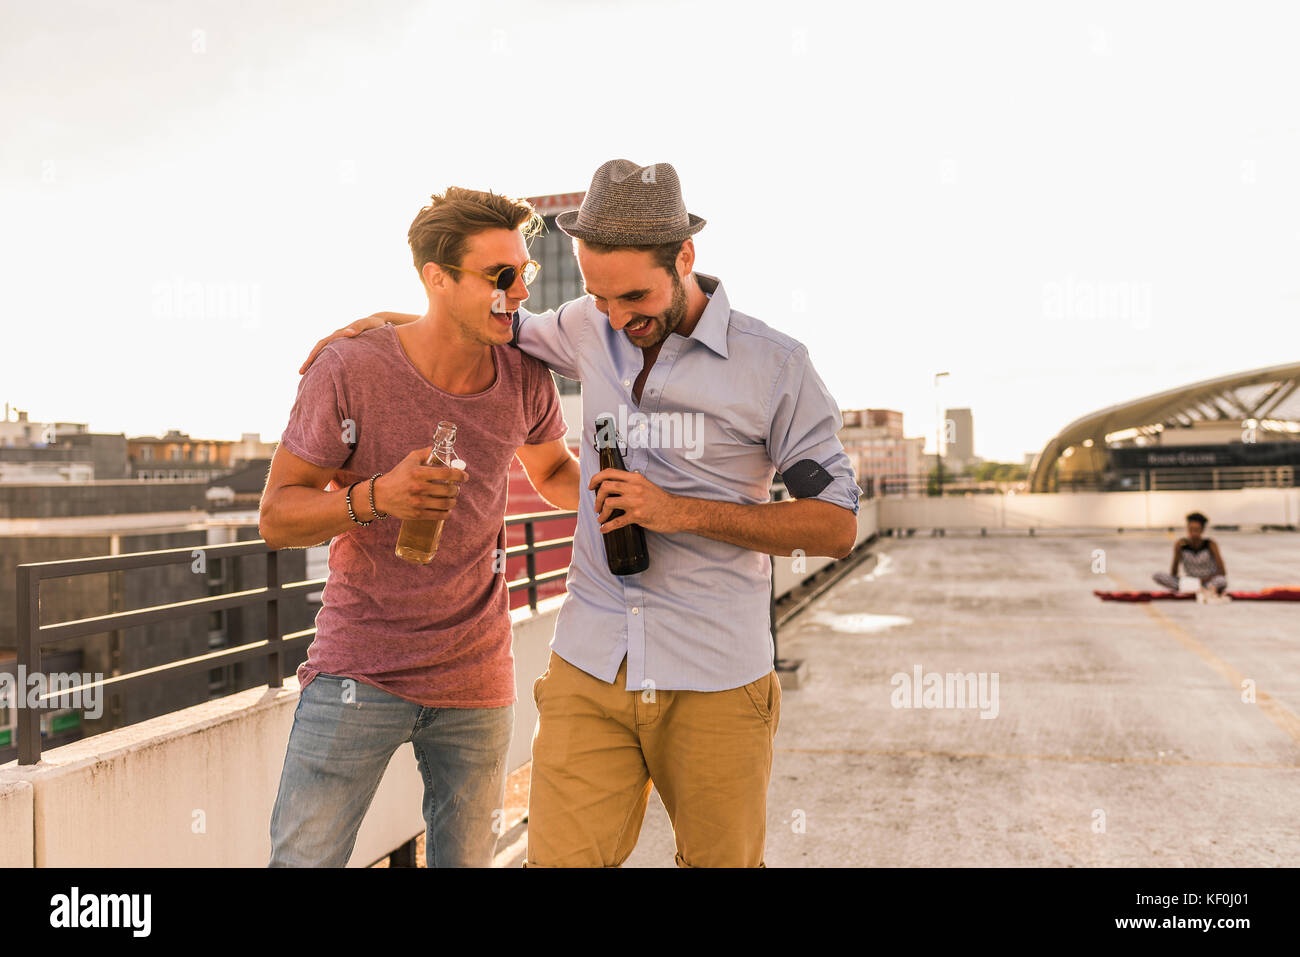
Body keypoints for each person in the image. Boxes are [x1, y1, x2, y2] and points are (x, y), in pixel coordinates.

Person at [304, 159, 860, 867]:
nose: (617, 319)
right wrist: (398, 324)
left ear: (685, 257)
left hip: (717, 674)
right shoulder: (587, 326)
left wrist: (680, 511)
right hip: (591, 662)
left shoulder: (775, 366)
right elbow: (495, 323)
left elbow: (836, 523)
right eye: (598, 296)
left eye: (634, 297)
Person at [260, 187, 579, 867]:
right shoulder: (350, 367)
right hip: (358, 668)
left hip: (477, 675)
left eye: (523, 271)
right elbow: (278, 515)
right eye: (501, 276)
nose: (521, 290)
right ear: (437, 278)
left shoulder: (525, 374)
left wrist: (642, 497)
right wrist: (378, 495)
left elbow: (553, 472)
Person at [1153, 511, 1228, 595]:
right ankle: (1197, 590)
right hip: (1189, 582)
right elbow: (1174, 572)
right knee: (1157, 576)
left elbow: (1222, 571)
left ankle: (1200, 589)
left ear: (1202, 530)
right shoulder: (1181, 544)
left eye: (1196, 530)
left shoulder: (1210, 544)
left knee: (1221, 580)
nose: (1193, 533)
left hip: (1207, 581)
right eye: (1190, 529)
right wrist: (1184, 582)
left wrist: (1202, 580)